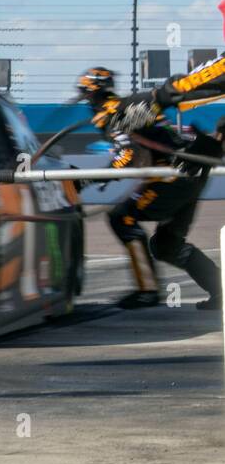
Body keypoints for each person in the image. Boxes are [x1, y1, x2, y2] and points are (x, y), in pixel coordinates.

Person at [76, 65, 224, 310]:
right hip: (189, 174)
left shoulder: (111, 112)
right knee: (168, 245)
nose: (86, 101)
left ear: (93, 94)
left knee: (121, 218)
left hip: (172, 176)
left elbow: (126, 155)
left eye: (87, 95)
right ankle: (222, 291)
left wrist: (92, 179)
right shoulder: (129, 106)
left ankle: (147, 291)